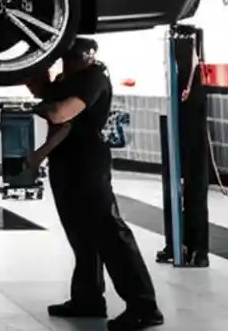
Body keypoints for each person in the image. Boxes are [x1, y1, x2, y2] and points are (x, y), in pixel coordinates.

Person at [26, 37, 164, 331]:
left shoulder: (93, 79)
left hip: (88, 165)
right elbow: (58, 116)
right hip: (65, 164)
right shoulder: (66, 79)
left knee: (110, 233)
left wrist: (42, 110)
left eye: (71, 59)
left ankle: (144, 307)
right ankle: (87, 299)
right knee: (81, 236)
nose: (69, 64)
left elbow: (61, 114)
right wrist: (32, 62)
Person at [156, 24, 210, 267]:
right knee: (177, 189)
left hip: (189, 128)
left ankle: (196, 248)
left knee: (193, 190)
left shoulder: (193, 80)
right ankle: (180, 244)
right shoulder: (178, 76)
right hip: (175, 124)